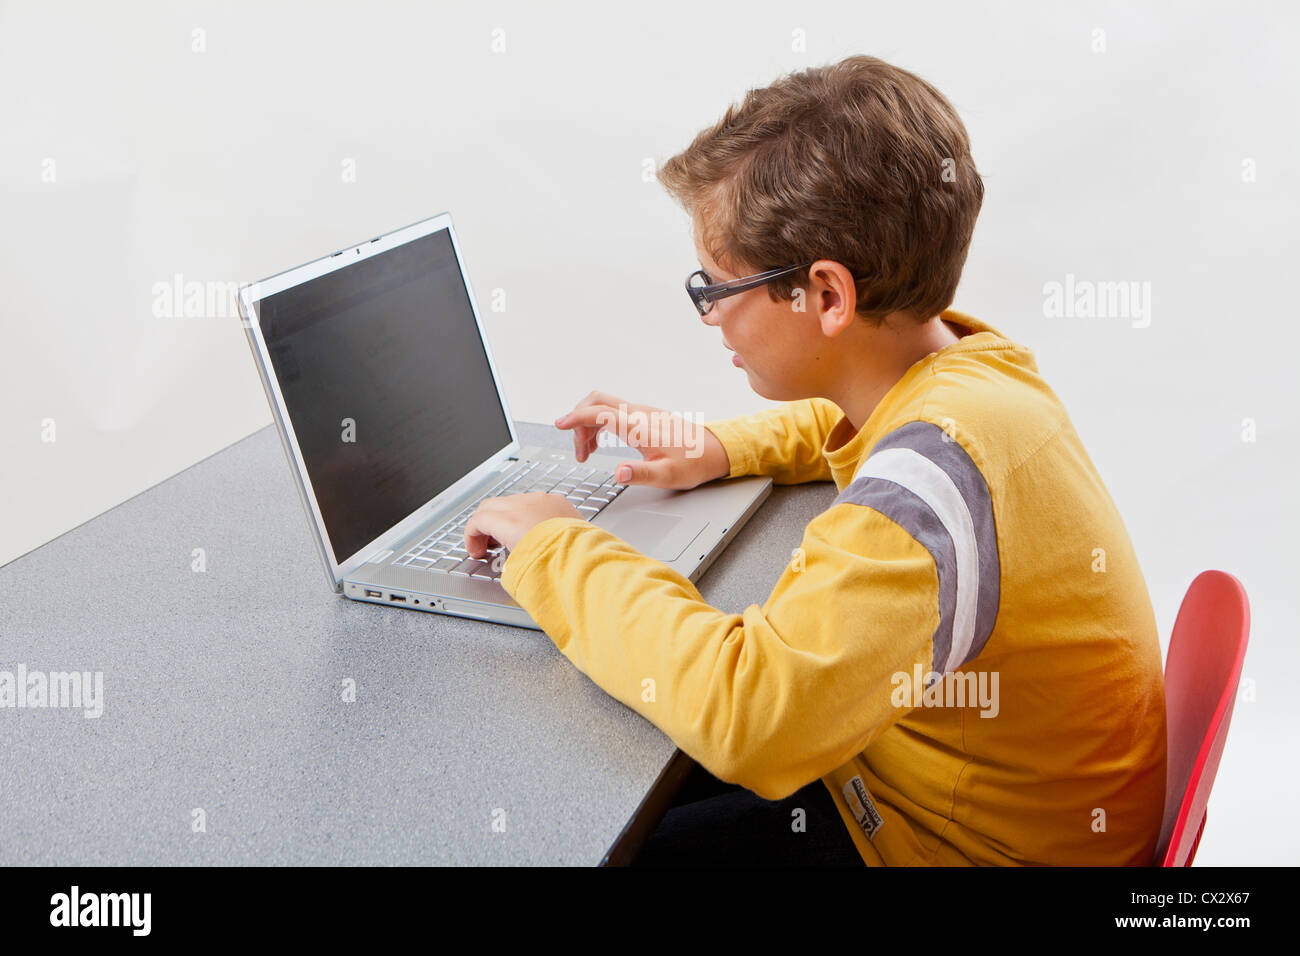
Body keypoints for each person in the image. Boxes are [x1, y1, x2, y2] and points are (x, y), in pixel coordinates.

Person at [464, 54, 1167, 866]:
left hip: (947, 847)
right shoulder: (978, 376)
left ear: (826, 296)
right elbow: (867, 418)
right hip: (957, 799)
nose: (711, 317)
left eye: (716, 286)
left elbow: (754, 718)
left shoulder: (924, 490)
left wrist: (558, 545)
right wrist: (720, 444)